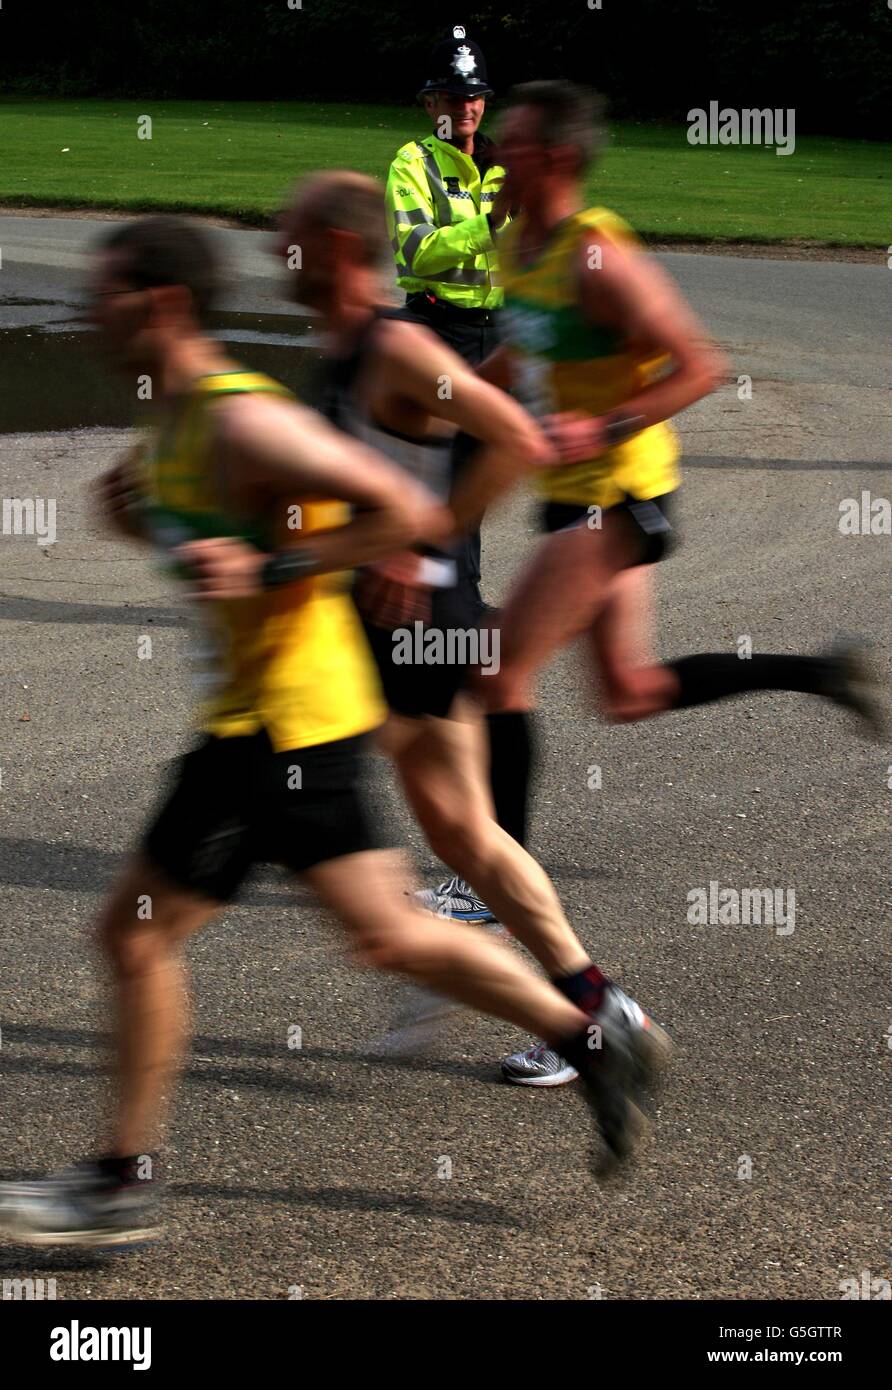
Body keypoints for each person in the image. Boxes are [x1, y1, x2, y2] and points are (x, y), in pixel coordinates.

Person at [0, 217, 647, 1248]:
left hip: (273, 731)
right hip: (298, 722)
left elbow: (394, 505)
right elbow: (218, 524)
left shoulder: (240, 419)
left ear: (161, 303)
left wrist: (273, 567)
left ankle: (123, 1180)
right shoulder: (171, 422)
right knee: (387, 933)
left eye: (105, 290)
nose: (87, 308)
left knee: (132, 934)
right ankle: (592, 1034)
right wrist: (133, 514)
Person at [467, 81, 880, 1085]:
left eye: (512, 146)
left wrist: (598, 426)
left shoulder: (598, 252)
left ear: (556, 159)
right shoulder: (517, 246)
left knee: (493, 682)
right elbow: (527, 345)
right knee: (628, 692)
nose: (496, 159)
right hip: (575, 496)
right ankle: (816, 673)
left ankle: (521, 934)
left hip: (619, 495)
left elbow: (697, 364)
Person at [385, 24, 533, 922]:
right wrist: (489, 223)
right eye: (451, 94)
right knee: (439, 515)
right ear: (430, 102)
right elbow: (415, 255)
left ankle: (463, 657)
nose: (465, 107)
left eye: (475, 94)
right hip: (434, 336)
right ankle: (456, 649)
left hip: (494, 338)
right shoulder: (412, 161)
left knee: (464, 517)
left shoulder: (506, 164)